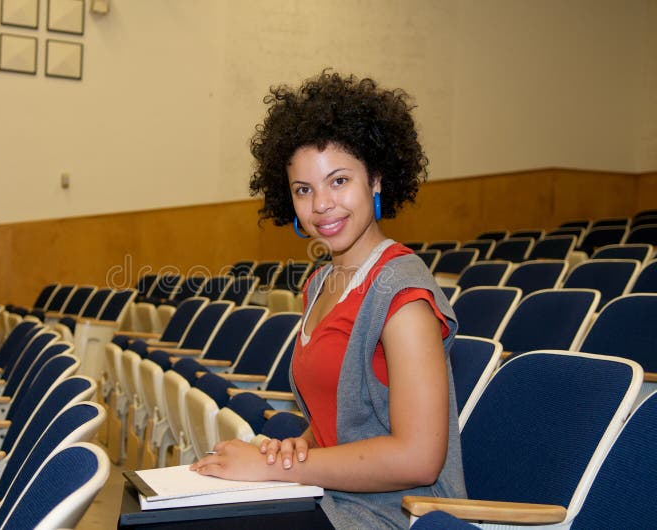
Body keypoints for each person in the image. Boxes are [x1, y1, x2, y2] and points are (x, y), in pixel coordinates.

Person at [190, 70, 466, 528]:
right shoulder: (319, 282)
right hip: (334, 497)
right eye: (304, 190)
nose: (321, 204)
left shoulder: (404, 295)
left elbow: (419, 459)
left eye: (338, 181)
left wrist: (274, 467)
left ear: (376, 180)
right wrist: (301, 442)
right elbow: (346, 419)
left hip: (395, 513)